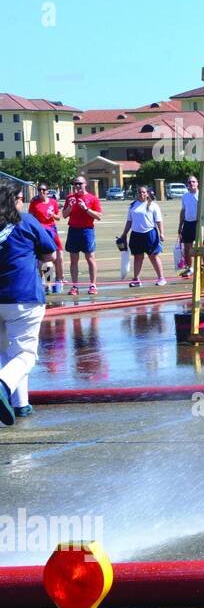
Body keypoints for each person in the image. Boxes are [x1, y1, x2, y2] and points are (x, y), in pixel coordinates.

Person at [0, 184, 56, 423]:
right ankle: (2, 386)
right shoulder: (27, 221)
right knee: (25, 354)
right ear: (15, 200)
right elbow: (50, 254)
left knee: (5, 352)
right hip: (23, 297)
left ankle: (21, 404)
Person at [119, 184, 167, 287]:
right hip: (136, 235)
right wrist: (124, 234)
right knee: (138, 257)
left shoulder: (153, 205)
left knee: (153, 256)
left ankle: (161, 278)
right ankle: (136, 279)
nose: (142, 194)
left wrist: (162, 233)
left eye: (144, 192)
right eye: (140, 192)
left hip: (150, 234)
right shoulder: (133, 205)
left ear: (147, 193)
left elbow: (159, 221)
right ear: (137, 194)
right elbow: (129, 221)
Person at [62, 176, 102, 296]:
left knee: (90, 258)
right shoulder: (70, 198)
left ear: (85, 184)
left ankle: (93, 285)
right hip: (73, 230)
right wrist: (69, 206)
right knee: (73, 260)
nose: (77, 186)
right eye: (75, 184)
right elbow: (64, 215)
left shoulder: (92, 198)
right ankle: (75, 286)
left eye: (80, 184)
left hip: (87, 231)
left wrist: (86, 208)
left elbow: (99, 216)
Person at [27, 183, 64, 292]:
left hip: (51, 230)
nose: (41, 192)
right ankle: (47, 282)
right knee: (43, 258)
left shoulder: (52, 202)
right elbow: (30, 216)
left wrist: (53, 214)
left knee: (59, 255)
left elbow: (58, 217)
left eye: (43, 190)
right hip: (40, 232)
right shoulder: (34, 203)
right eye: (39, 190)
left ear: (47, 191)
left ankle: (59, 279)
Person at [177, 174, 200, 278]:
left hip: (198, 223)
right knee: (187, 247)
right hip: (187, 223)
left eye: (193, 182)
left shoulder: (202, 195)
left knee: (201, 247)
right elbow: (183, 211)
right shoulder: (185, 196)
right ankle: (190, 268)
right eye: (189, 182)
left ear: (197, 183)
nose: (191, 184)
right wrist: (180, 226)